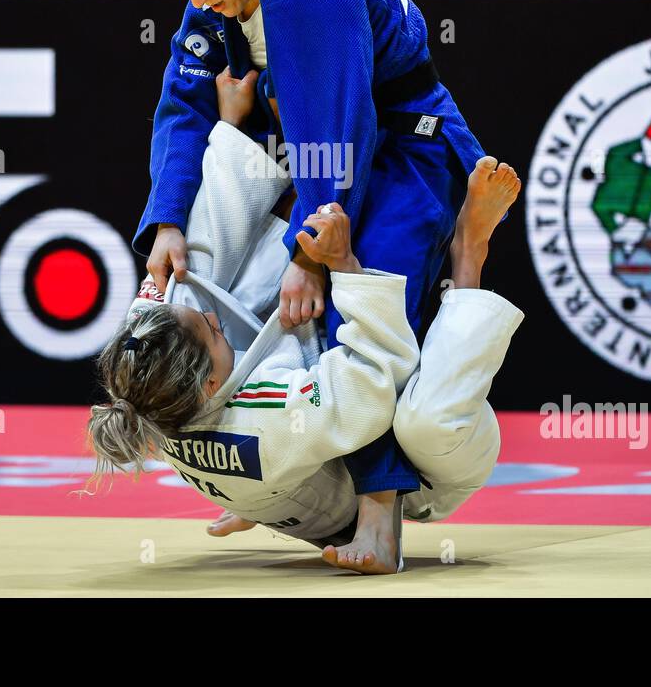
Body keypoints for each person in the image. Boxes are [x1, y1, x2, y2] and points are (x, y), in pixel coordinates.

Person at [120, 0, 496, 559]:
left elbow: (338, 133)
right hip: (324, 155)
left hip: (404, 152)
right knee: (242, 289)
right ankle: (279, 484)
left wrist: (311, 253)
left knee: (365, 291)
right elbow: (182, 110)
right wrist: (165, 221)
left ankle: (380, 508)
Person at [88, 94, 524, 573]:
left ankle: (265, 495)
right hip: (428, 478)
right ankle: (470, 250)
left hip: (284, 479)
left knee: (196, 282)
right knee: (424, 421)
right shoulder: (269, 416)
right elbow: (379, 376)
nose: (215, 321)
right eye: (213, 335)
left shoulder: (139, 377)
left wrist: (233, 130)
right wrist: (344, 265)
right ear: (210, 388)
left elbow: (195, 261)